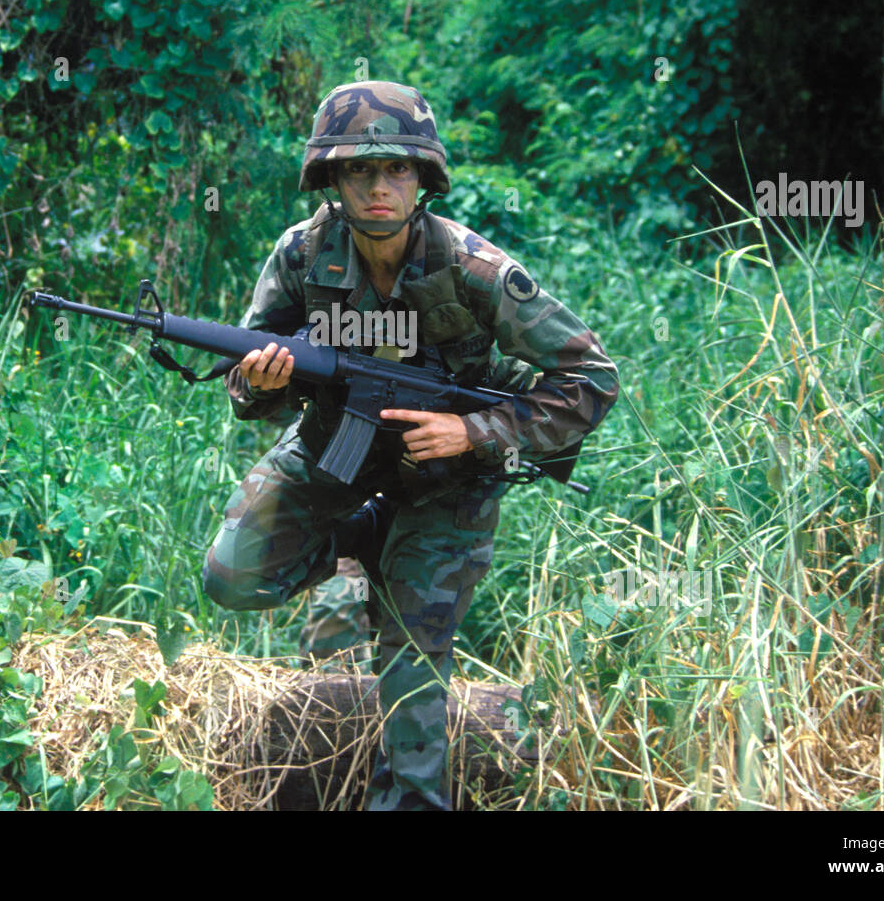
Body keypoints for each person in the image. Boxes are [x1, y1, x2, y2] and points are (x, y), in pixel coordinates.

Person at [202, 80, 619, 810]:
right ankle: (362, 533)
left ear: (423, 176)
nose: (378, 187)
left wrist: (474, 431)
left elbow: (592, 377)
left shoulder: (475, 269)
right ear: (330, 179)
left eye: (396, 168)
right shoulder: (302, 253)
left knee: (411, 663)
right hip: (335, 446)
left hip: (447, 479)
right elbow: (248, 383)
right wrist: (260, 383)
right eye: (360, 170)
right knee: (231, 575)